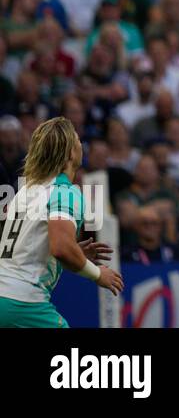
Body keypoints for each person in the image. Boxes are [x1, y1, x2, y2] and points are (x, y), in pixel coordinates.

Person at [0, 117, 121, 327]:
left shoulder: (26, 191)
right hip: (22, 302)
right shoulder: (65, 193)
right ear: (70, 153)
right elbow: (61, 248)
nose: (81, 144)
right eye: (77, 139)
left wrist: (74, 253)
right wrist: (98, 273)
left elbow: (24, 249)